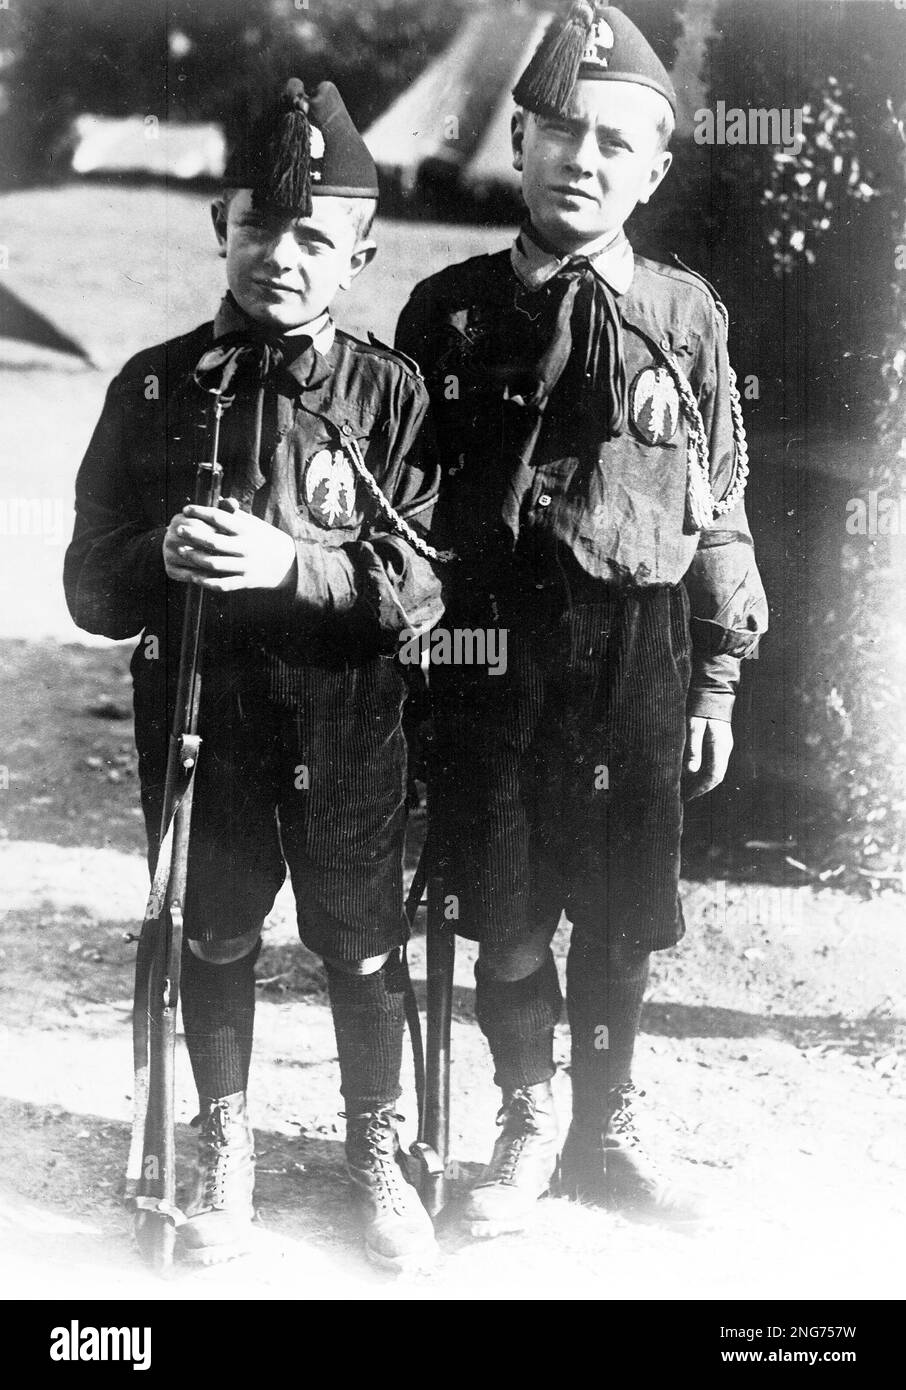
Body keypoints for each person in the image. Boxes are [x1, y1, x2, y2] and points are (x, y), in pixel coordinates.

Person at [396, 3, 769, 1237]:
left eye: (616, 143)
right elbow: (409, 517)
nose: (584, 161)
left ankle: (606, 1120)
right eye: (562, 132)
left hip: (636, 646)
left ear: (654, 170)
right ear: (519, 140)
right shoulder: (447, 313)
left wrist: (716, 676)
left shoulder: (688, 316)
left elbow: (716, 504)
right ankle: (525, 1107)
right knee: (498, 895)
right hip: (492, 646)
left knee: (618, 908)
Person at [64, 77, 445, 1274]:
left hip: (345, 721)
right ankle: (223, 1139)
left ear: (359, 256)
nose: (283, 256)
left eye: (315, 239)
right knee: (213, 930)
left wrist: (295, 563)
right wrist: (152, 555)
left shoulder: (390, 398)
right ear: (219, 230)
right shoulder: (157, 386)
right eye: (259, 228)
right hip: (200, 717)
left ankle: (378, 1148)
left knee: (361, 941)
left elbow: (424, 580)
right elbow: (87, 581)